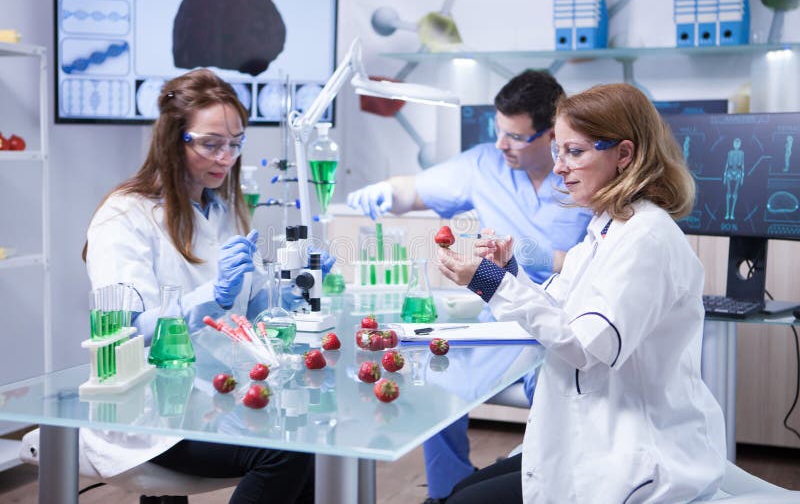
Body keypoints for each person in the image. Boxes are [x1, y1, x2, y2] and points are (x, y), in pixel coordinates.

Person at [437, 83, 727, 503]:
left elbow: (587, 346)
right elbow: (559, 307)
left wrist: (489, 282)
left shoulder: (647, 239)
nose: (559, 168)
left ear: (623, 154)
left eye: (574, 152)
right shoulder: (606, 227)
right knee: (462, 490)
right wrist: (508, 274)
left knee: (463, 501)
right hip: (589, 433)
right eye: (559, 151)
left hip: (631, 453)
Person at [347, 70, 592, 502]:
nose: (501, 145)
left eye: (515, 136)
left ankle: (540, 487)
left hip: (559, 321)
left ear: (551, 134)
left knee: (552, 391)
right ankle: (447, 491)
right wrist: (384, 191)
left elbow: (606, 259)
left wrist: (550, 258)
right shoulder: (483, 165)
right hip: (498, 316)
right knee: (435, 374)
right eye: (499, 131)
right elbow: (412, 191)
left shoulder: (583, 177)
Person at [82, 69, 315, 504]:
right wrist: (213, 296)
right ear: (174, 140)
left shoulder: (220, 209)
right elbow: (127, 334)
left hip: (213, 392)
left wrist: (295, 287)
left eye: (235, 143)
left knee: (311, 429)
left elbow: (252, 314)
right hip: (149, 410)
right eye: (211, 144)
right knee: (286, 452)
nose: (226, 158)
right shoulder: (124, 216)